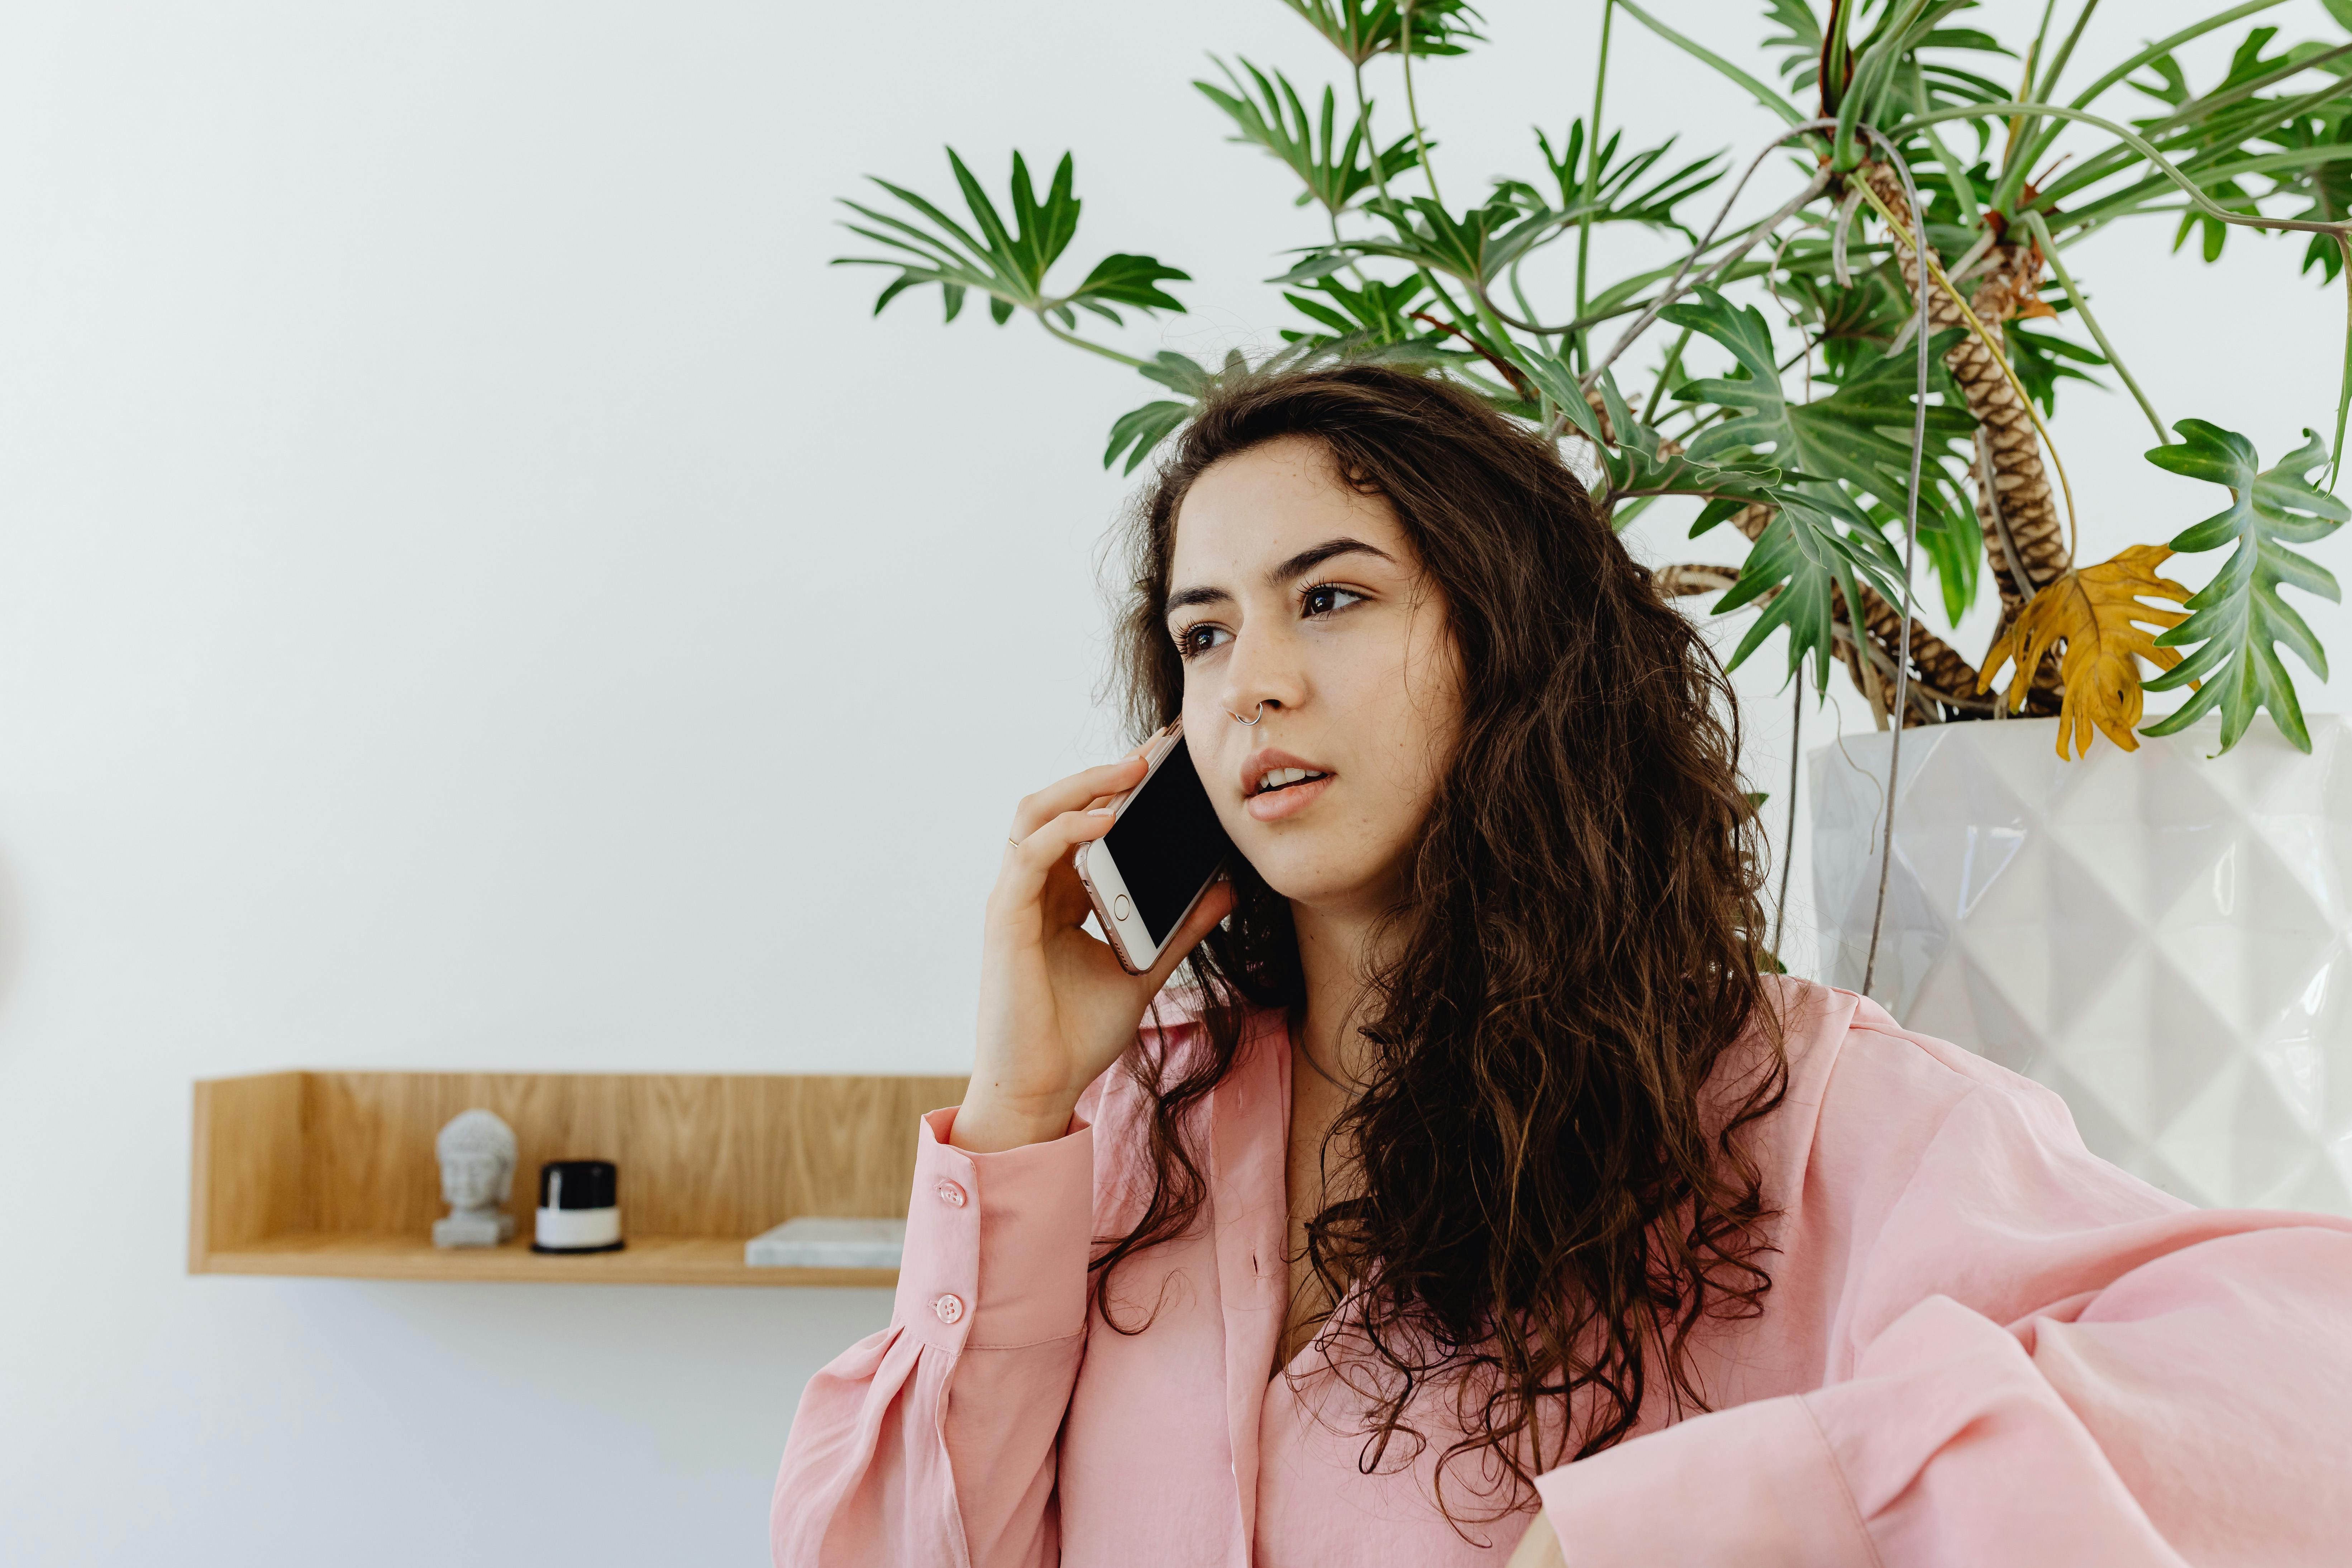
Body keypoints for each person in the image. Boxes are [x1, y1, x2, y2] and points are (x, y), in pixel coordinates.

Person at [771, 364, 2352, 1567]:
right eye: (1203, 635)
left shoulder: (1785, 1103)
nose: (1251, 682)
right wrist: (1022, 1102)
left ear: (1511, 641)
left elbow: (2303, 1380)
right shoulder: (1125, 1136)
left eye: (1329, 598)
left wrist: (1679, 1522)